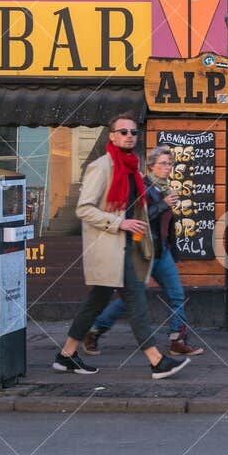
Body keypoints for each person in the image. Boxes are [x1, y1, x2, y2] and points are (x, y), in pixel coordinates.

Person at [52, 113, 189, 380]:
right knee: (136, 301)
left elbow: (136, 209)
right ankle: (156, 360)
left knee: (95, 304)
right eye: (123, 132)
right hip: (109, 248)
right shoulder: (101, 167)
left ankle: (66, 355)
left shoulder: (132, 170)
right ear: (112, 136)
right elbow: (84, 209)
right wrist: (120, 223)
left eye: (133, 132)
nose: (129, 136)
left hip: (127, 247)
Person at [84, 146, 204, 357]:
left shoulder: (165, 189)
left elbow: (167, 225)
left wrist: (172, 248)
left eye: (170, 163)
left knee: (177, 294)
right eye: (163, 163)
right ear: (151, 166)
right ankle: (94, 330)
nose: (168, 167)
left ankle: (177, 340)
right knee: (131, 298)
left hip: (162, 252)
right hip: (143, 252)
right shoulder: (143, 188)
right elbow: (139, 218)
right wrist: (163, 205)